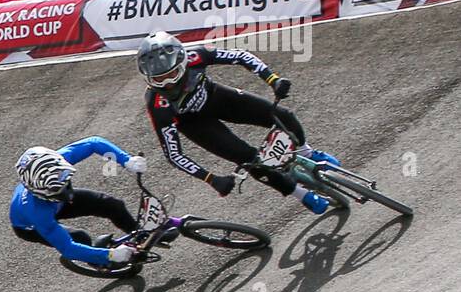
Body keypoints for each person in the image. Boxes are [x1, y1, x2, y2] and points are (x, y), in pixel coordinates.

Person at [138, 31, 340, 213]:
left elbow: (240, 55)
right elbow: (173, 154)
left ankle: (307, 152)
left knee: (282, 115)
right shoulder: (157, 105)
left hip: (216, 98)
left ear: (182, 63)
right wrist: (211, 179)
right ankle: (300, 194)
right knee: (250, 159)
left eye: (171, 74)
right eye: (158, 80)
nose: (168, 83)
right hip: (196, 125)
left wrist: (273, 80)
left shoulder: (196, 55)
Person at [11, 140, 171, 267]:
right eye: (59, 191)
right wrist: (110, 255)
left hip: (52, 204)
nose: (68, 194)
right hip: (30, 226)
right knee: (81, 237)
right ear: (41, 191)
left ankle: (141, 234)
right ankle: (100, 263)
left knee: (113, 205)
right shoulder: (38, 214)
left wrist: (126, 160)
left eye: (66, 183)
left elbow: (94, 143)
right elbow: (68, 248)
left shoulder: (55, 163)